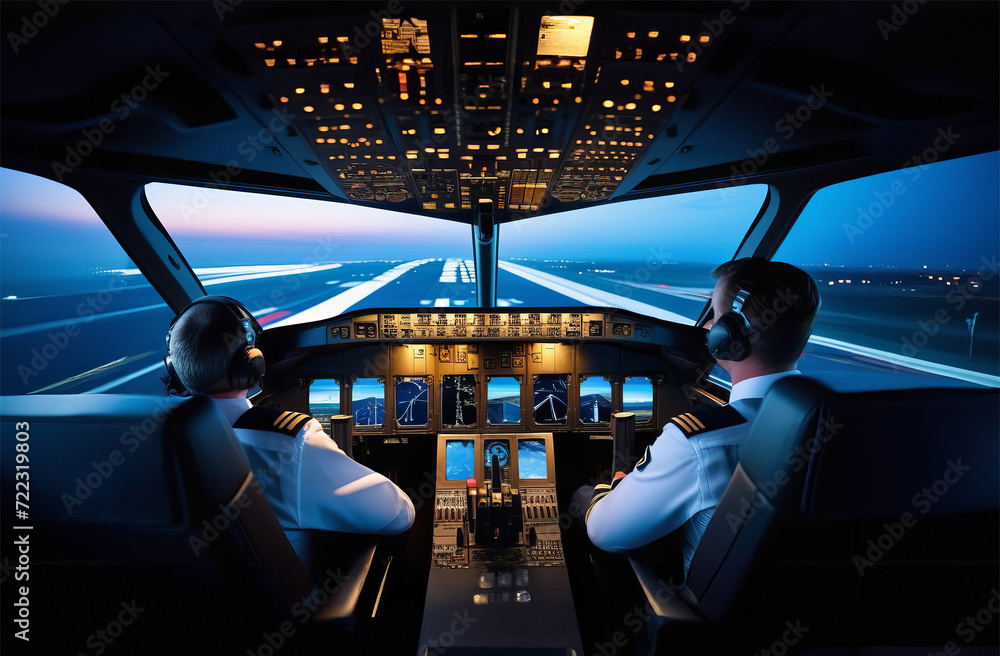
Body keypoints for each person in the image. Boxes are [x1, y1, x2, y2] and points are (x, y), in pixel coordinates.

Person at [582, 258, 821, 576]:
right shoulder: (845, 424)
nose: (708, 326)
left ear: (727, 338)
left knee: (581, 499)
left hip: (707, 620)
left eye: (715, 316)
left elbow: (605, 533)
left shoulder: (700, 443)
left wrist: (606, 491)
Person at [163, 295, 415, 559]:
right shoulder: (290, 443)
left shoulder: (156, 440)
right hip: (299, 597)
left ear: (174, 369)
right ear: (250, 364)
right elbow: (398, 515)